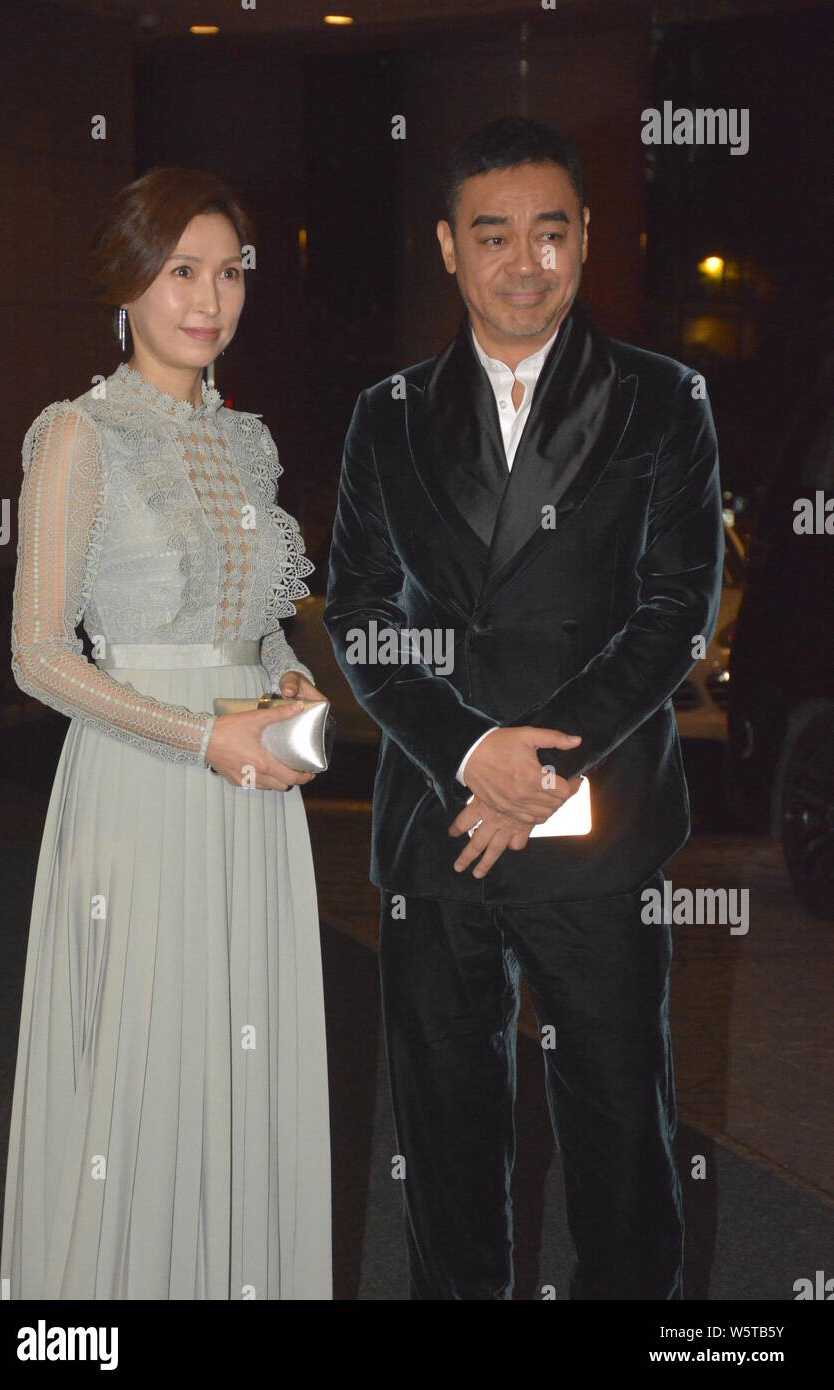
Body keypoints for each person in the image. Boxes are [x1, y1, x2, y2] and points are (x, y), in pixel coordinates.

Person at [323, 117, 724, 1299]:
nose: (524, 261)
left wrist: (539, 768)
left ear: (587, 238)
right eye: (492, 235)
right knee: (445, 1155)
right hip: (441, 829)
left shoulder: (661, 399)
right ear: (448, 246)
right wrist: (474, 753)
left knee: (621, 1144)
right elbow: (360, 615)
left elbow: (672, 614)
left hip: (595, 826)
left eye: (550, 232)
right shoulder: (388, 413)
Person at [1, 167, 332, 1299]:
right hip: (142, 799)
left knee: (239, 1072)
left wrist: (290, 694)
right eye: (182, 270)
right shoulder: (79, 436)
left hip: (251, 800)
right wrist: (202, 742)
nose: (210, 297)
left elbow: (258, 631)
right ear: (128, 283)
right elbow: (39, 655)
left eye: (229, 271)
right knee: (142, 1080)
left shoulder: (245, 442)